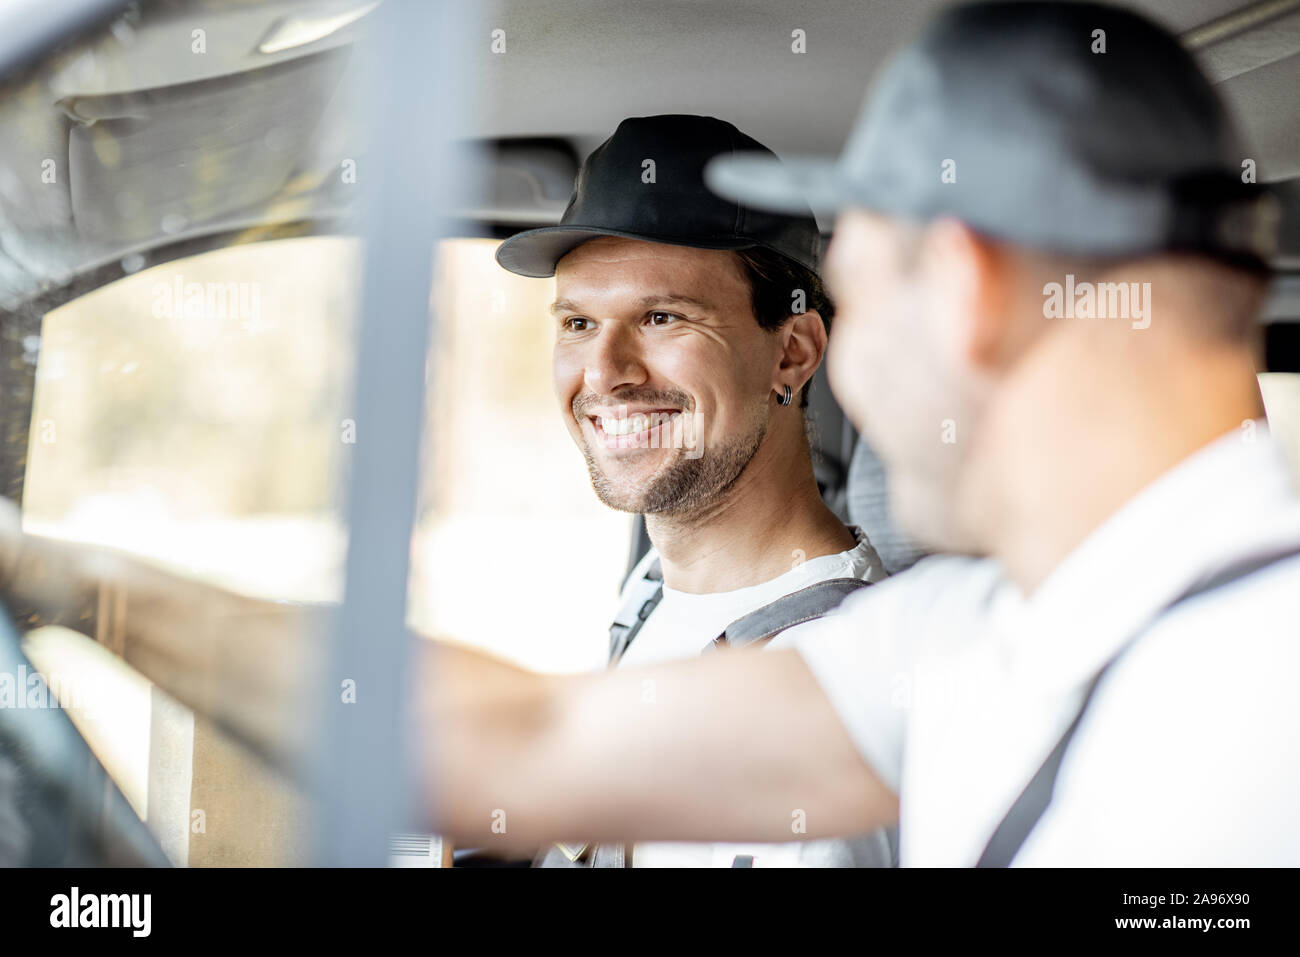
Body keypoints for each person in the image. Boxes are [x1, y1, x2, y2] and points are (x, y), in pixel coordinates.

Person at [3, 0, 1296, 866]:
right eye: (575, 323)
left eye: (867, 283)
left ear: (958, 289)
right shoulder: (984, 633)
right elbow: (521, 745)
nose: (861, 364)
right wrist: (59, 578)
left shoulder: (1256, 691)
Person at [493, 113, 894, 867]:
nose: (605, 371)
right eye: (578, 321)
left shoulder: (827, 690)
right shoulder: (652, 589)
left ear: (793, 353)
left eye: (661, 316)